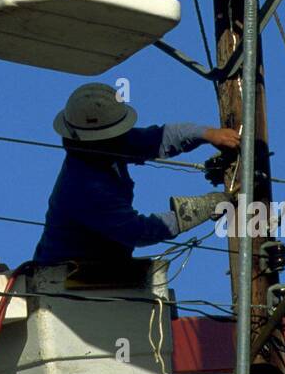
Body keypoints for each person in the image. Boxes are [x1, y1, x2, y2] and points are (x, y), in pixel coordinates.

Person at [33, 84, 239, 267]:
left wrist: (207, 134)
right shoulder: (84, 187)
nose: (124, 138)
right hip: (65, 279)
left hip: (97, 271)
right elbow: (137, 231)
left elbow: (157, 138)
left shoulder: (104, 148)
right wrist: (200, 209)